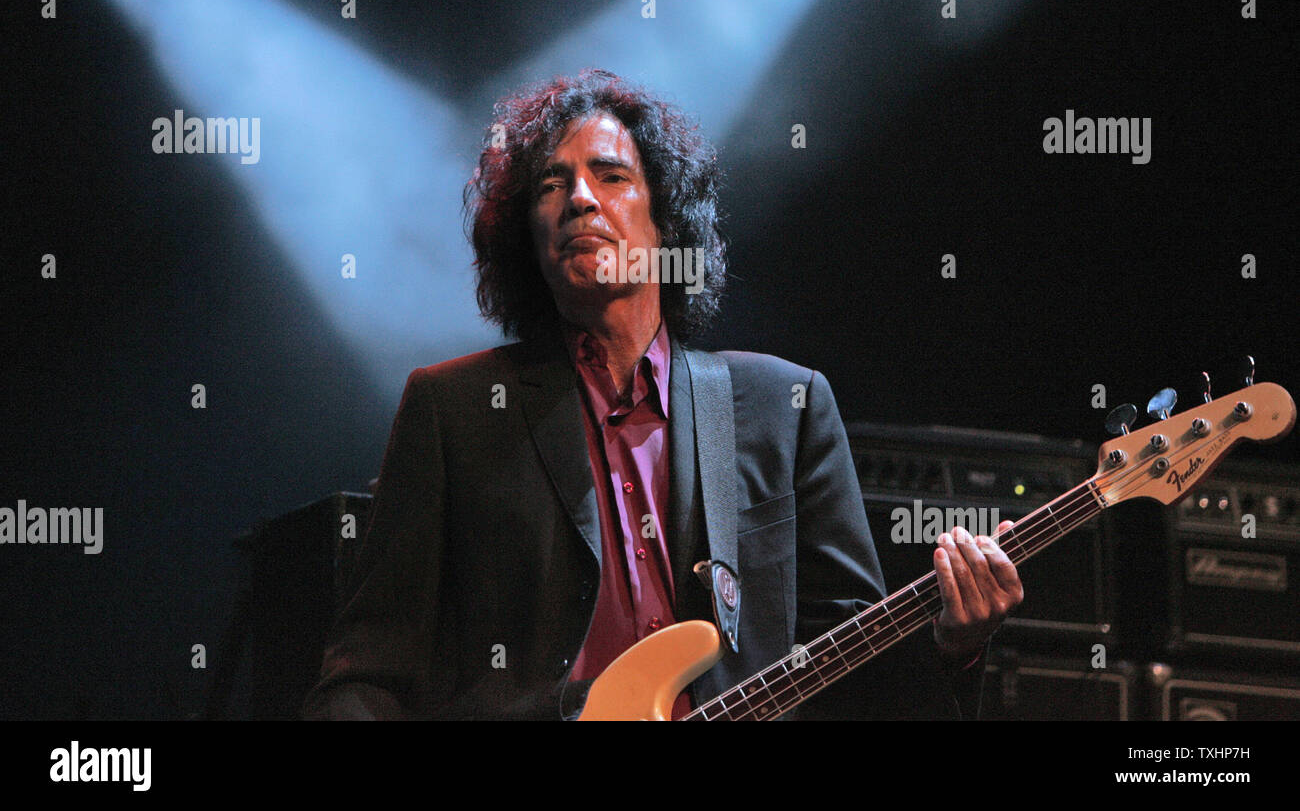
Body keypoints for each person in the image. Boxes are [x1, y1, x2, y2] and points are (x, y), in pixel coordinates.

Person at [302, 68, 1023, 720]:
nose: (579, 197)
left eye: (610, 175)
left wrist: (954, 644)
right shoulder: (453, 409)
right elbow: (362, 678)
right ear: (528, 235)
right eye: (551, 186)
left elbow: (855, 681)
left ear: (666, 217)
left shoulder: (785, 406)